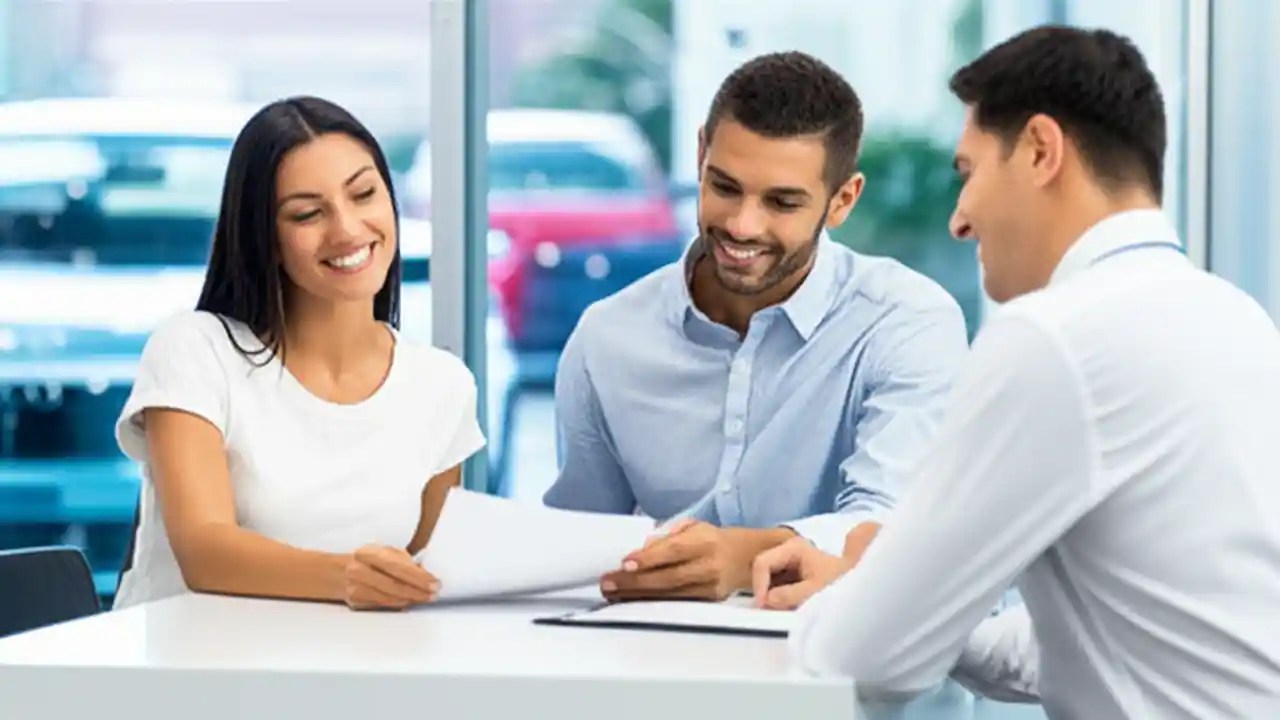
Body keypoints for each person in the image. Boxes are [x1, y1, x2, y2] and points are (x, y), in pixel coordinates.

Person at [752, 26, 1280, 719]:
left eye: (969, 173)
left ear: (1039, 150)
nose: (959, 221)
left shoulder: (1056, 338)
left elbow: (863, 661)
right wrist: (900, 599)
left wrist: (869, 596)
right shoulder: (1233, 318)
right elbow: (1122, 641)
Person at [543, 51, 969, 603]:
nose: (743, 226)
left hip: (843, 673)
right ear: (700, 155)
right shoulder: (606, 340)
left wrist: (740, 558)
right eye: (724, 187)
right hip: (666, 667)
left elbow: (886, 524)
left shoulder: (906, 323)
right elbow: (579, 546)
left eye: (782, 203)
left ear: (842, 201)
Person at [112, 96, 485, 611]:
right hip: (184, 678)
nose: (348, 230)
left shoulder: (443, 384)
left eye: (364, 195)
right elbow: (206, 553)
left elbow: (426, 575)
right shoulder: (196, 350)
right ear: (263, 236)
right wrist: (344, 576)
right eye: (308, 213)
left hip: (344, 677)